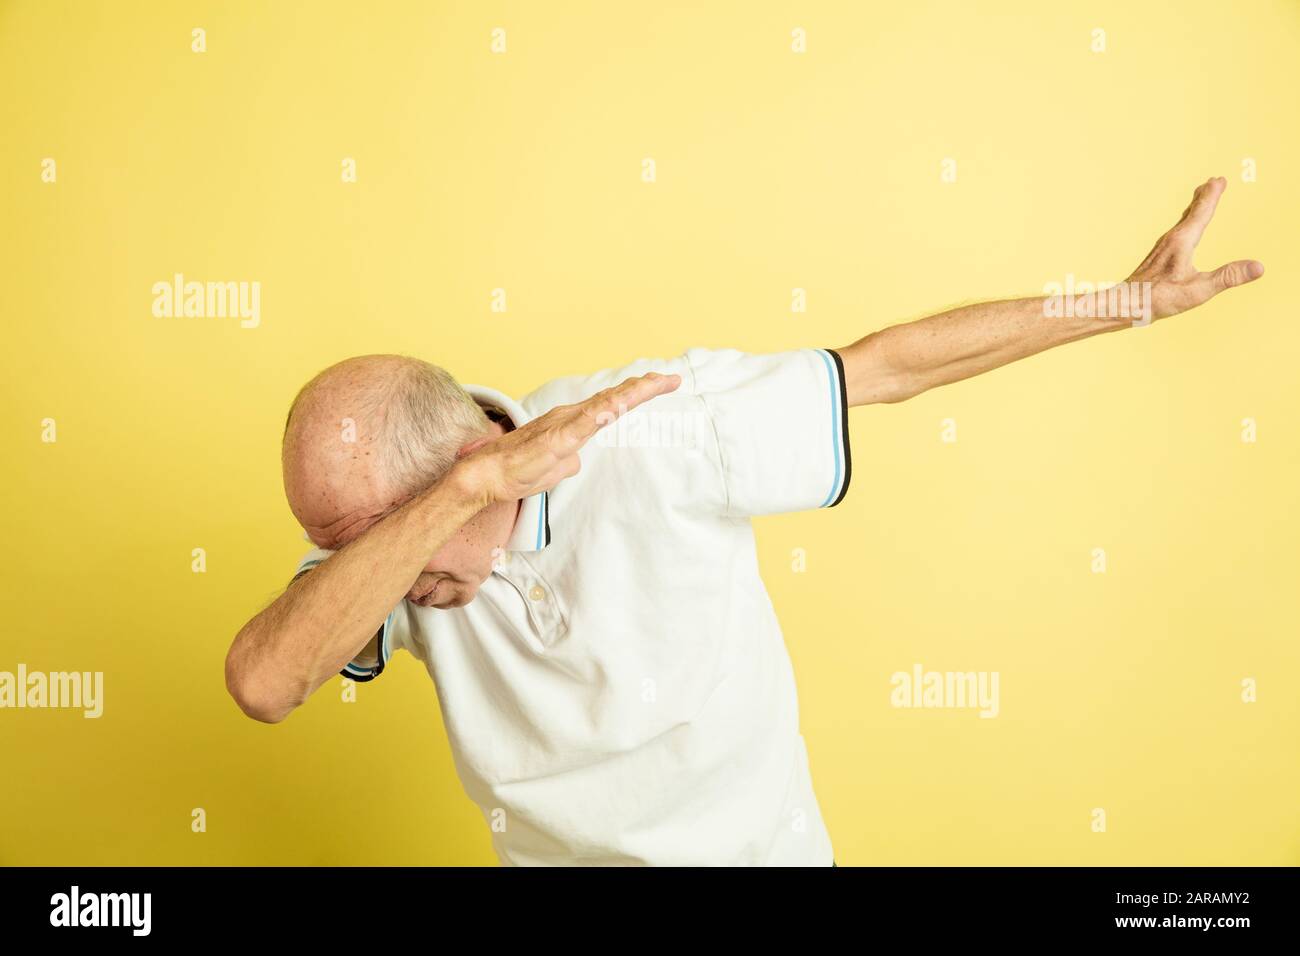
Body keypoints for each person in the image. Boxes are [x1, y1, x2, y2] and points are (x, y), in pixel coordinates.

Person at [225, 178, 1261, 865]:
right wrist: (451, 504)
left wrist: (1120, 304)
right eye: (348, 550)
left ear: (457, 456)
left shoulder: (649, 434)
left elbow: (887, 365)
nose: (373, 573)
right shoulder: (403, 550)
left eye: (366, 541)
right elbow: (265, 683)